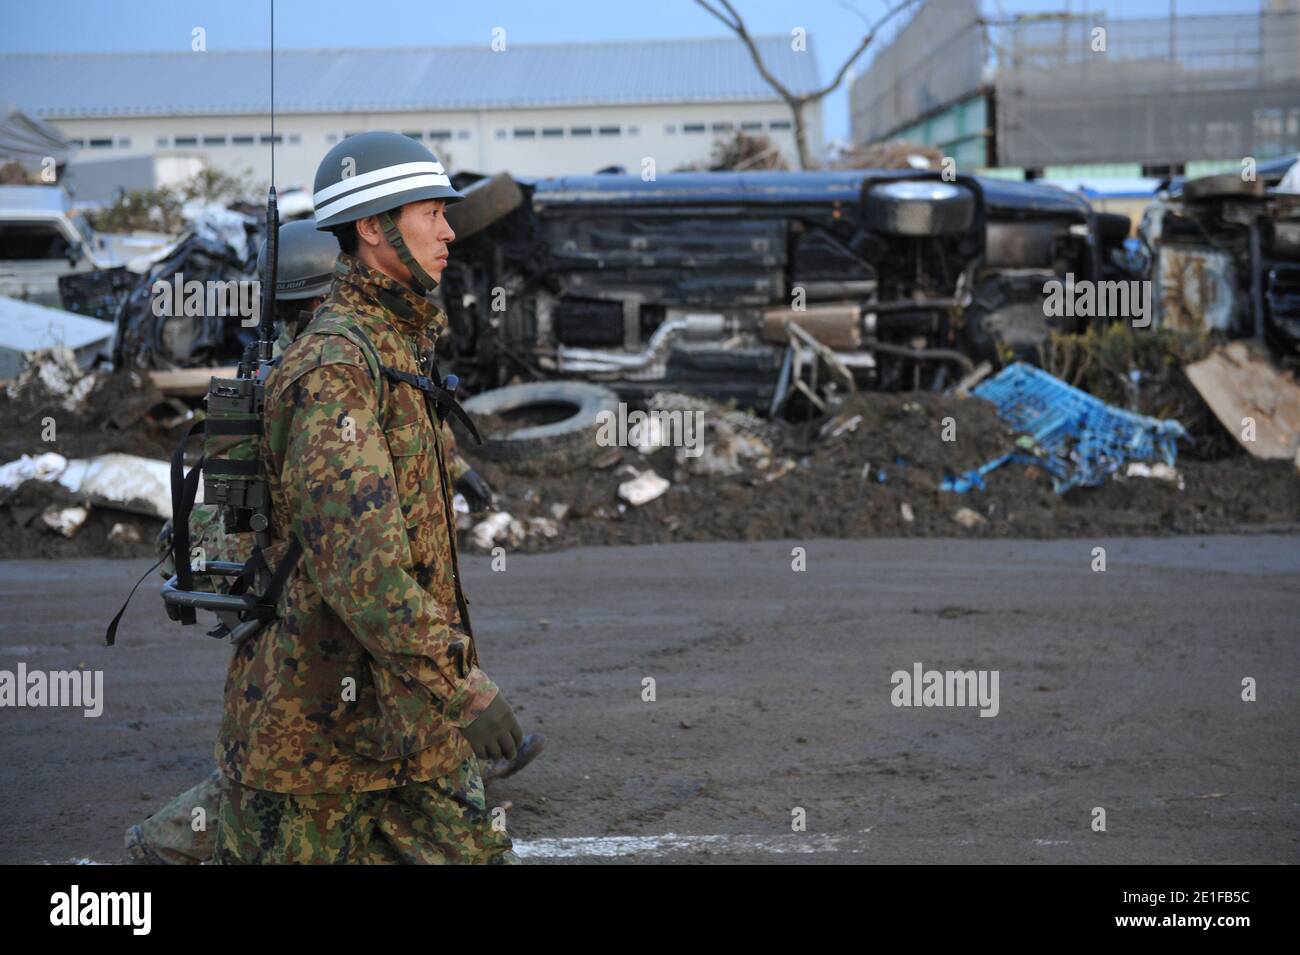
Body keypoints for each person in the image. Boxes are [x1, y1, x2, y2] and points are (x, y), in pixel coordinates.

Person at [210, 131, 528, 864]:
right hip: (314, 737)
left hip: (406, 722)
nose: (449, 230)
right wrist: (466, 690)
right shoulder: (334, 367)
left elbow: (408, 447)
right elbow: (365, 570)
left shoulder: (393, 342)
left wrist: (456, 469)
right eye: (429, 213)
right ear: (371, 227)